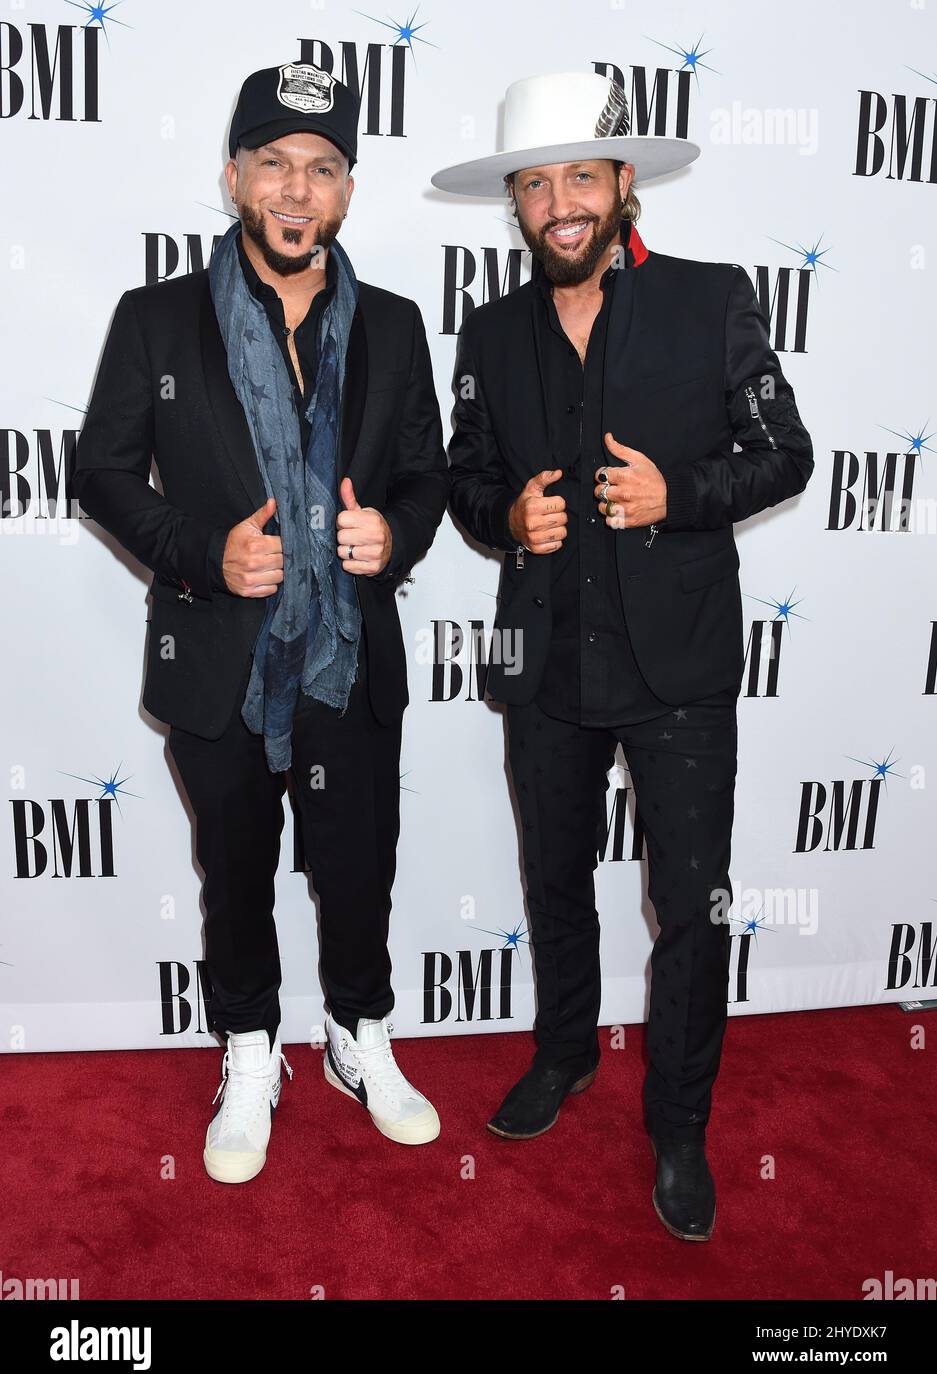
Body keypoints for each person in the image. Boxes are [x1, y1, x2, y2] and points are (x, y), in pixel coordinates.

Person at [434, 70, 814, 1240]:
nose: (557, 201)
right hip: (542, 659)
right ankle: (562, 1055)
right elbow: (463, 478)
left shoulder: (710, 303)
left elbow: (787, 454)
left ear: (623, 184)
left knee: (688, 909)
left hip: (681, 666)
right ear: (516, 202)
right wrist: (507, 520)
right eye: (533, 182)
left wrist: (679, 493)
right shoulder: (492, 332)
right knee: (553, 882)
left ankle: (680, 1125)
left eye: (578, 177)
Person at [73, 62, 449, 1183]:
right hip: (219, 659)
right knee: (233, 869)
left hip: (345, 657)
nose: (296, 190)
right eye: (274, 164)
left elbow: (428, 476)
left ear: (347, 190)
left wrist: (396, 529)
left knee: (359, 863)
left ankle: (355, 1034)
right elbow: (100, 469)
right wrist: (202, 552)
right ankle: (249, 1048)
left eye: (321, 170)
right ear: (234, 174)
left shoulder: (393, 322)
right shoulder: (155, 320)